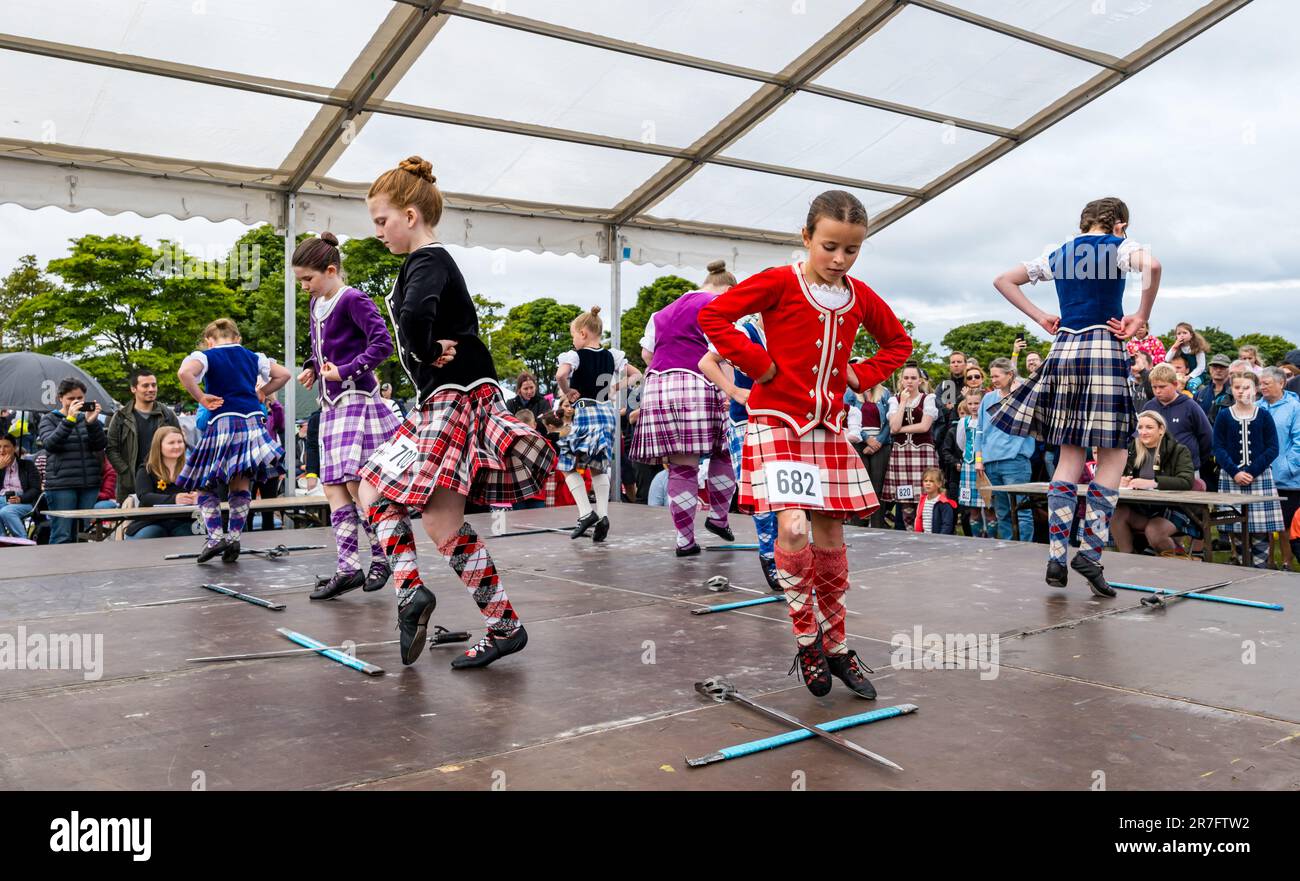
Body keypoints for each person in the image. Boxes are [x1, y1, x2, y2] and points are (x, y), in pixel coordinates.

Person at [699, 189, 912, 701]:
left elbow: (898, 344)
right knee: (792, 525)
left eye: (852, 250)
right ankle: (806, 638)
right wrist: (759, 364)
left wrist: (859, 376)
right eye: (830, 247)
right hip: (775, 421)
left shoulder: (859, 295)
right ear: (807, 238)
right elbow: (713, 318)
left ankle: (837, 644)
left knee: (832, 539)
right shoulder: (779, 281)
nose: (840, 260)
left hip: (828, 428)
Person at [356, 155, 555, 669]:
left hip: (453, 399)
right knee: (381, 491)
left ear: (410, 214)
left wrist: (423, 350)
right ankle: (417, 595)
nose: (378, 232)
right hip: (441, 402)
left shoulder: (426, 262)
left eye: (382, 221)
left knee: (426, 516)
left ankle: (490, 618)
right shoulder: (425, 263)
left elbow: (419, 314)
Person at [990, 196, 1161, 596]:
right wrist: (1140, 315)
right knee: (1114, 454)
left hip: (1064, 352)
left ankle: (1055, 555)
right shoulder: (1119, 247)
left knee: (1069, 456)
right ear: (1119, 224)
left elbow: (1003, 279)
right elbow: (1152, 265)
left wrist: (1040, 317)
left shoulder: (1059, 253)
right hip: (1103, 348)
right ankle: (1090, 551)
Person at [292, 232, 403, 598]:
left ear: (330, 269)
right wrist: (312, 365)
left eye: (308, 279)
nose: (305, 287)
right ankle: (348, 567)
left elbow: (382, 344)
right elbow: (321, 348)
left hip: (357, 400)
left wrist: (346, 370)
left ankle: (382, 557)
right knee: (333, 487)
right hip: (331, 406)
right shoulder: (316, 305)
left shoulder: (353, 298)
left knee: (358, 486)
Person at [632, 260, 737, 557]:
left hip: (658, 386)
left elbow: (646, 353)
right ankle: (719, 518)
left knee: (682, 466)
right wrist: (730, 390)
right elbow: (724, 353)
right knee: (722, 449)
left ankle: (685, 541)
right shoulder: (717, 304)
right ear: (729, 290)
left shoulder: (661, 312)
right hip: (697, 381)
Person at [176, 318, 291, 564]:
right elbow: (284, 374)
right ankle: (234, 537)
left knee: (206, 483)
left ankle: (216, 536)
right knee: (240, 484)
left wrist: (201, 396)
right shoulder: (253, 356)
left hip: (224, 423)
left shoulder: (206, 356)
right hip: (252, 424)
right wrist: (262, 392)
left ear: (209, 341)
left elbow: (184, 373)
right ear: (237, 338)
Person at [701, 311, 780, 588]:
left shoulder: (790, 330)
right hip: (746, 421)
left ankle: (786, 555)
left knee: (784, 493)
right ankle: (770, 555)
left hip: (782, 420)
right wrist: (733, 391)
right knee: (762, 493)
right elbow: (707, 362)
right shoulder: (745, 331)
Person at [554, 305, 642, 542]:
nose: (573, 340)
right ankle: (602, 516)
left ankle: (585, 513)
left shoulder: (574, 356)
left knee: (567, 464)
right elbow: (637, 375)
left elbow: (560, 375)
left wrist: (568, 391)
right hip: (606, 413)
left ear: (582, 333)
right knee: (598, 466)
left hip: (585, 412)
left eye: (573, 335)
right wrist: (613, 388)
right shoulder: (612, 355)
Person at [1214, 371, 1284, 568]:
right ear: (1232, 390)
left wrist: (1252, 471)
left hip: (1259, 477)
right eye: (1237, 387)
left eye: (1246, 387)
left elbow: (1272, 448)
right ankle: (1243, 566)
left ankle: (1259, 568)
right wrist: (1234, 471)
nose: (1241, 391)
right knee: (1235, 526)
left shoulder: (1263, 415)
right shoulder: (1224, 415)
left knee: (1260, 529)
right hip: (1231, 476)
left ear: (1255, 390)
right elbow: (1218, 448)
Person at [1110, 412, 1196, 555]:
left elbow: (1186, 481)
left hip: (1172, 509)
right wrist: (1122, 480)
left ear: (1161, 429)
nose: (1143, 432)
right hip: (1141, 508)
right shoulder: (1132, 449)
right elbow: (1121, 473)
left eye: (1149, 427)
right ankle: (1128, 558)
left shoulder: (1178, 450)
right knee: (1117, 515)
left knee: (1154, 531)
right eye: (1140, 428)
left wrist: (1153, 483)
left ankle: (1177, 560)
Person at [38, 379, 109, 544]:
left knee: (82, 533)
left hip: (88, 483)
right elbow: (50, 444)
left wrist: (92, 423)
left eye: (80, 398)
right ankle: (58, 569)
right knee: (62, 534)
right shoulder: (49, 419)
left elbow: (100, 445)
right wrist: (69, 420)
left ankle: (80, 569)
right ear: (60, 398)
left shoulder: (88, 418)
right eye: (71, 398)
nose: (76, 402)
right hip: (62, 485)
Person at [975, 358, 1036, 541]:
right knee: (1002, 511)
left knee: (1021, 510)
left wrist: (1018, 384)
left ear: (1010, 374)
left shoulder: (1023, 394)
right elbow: (979, 430)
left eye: (997, 376)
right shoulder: (988, 398)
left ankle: (1025, 547)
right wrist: (979, 459)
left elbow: (1036, 384)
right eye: (991, 376)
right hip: (990, 463)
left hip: (1015, 462)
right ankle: (1008, 546)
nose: (993, 380)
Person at [106, 369, 180, 504]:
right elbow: (111, 449)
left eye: (154, 385)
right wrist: (126, 472)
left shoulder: (167, 414)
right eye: (145, 386)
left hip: (162, 482)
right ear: (133, 389)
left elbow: (180, 444)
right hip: (130, 483)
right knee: (130, 523)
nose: (151, 389)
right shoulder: (121, 417)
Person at [881, 364, 939, 529]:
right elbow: (893, 424)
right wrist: (903, 403)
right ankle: (909, 531)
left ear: (920, 380)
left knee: (926, 494)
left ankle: (927, 530)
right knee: (905, 496)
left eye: (913, 378)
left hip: (922, 452)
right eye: (906, 378)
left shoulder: (928, 398)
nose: (909, 381)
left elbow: (924, 427)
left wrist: (898, 429)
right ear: (901, 380)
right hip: (901, 453)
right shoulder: (895, 399)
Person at [126, 427, 201, 539]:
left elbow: (207, 490)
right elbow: (145, 496)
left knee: (191, 535)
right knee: (150, 534)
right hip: (152, 521)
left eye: (180, 442)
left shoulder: (192, 468)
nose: (177, 446)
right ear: (159, 446)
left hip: (184, 521)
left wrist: (199, 496)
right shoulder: (146, 470)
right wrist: (174, 500)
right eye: (171, 443)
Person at [1259, 366, 1300, 562]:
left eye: (1266, 383)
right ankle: (1266, 563)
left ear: (1281, 383)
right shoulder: (1256, 407)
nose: (1262, 387)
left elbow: (1299, 442)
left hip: (1288, 479)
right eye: (1261, 383)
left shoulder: (1295, 407)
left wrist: (1287, 468)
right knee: (1264, 524)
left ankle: (1287, 564)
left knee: (1285, 525)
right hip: (1261, 476)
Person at [1142, 364, 1213, 473]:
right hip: (1155, 468)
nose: (1157, 391)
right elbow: (1140, 436)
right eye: (1154, 387)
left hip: (1187, 469)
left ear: (1175, 384)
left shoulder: (1190, 406)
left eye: (1162, 387)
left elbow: (1207, 437)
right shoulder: (1149, 407)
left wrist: (1195, 461)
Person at [845, 382, 893, 529]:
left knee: (877, 486)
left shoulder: (884, 393)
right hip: (859, 442)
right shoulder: (850, 393)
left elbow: (890, 419)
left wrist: (878, 441)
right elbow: (847, 417)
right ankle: (858, 524)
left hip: (882, 444)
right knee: (860, 485)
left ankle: (877, 525)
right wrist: (867, 439)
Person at [946, 388, 991, 537]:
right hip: (969, 464)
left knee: (990, 506)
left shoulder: (989, 419)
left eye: (977, 403)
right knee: (973, 508)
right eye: (970, 403)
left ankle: (990, 538)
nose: (973, 406)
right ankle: (977, 538)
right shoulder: (963, 422)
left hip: (986, 465)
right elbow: (961, 442)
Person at [0, 434, 40, 537]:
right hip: (2, 500)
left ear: (14, 448)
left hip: (23, 502)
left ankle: (23, 541)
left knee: (6, 512)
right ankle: (3, 540)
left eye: (6, 446)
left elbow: (35, 489)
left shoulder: (27, 465)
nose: (2, 450)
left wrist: (20, 498)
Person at [1164, 322, 1209, 392]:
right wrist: (1174, 347)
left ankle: (1195, 400)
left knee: (1191, 385)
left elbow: (1201, 367)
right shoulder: (1177, 348)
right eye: (1179, 334)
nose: (1181, 335)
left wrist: (1189, 376)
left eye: (1184, 333)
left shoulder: (1198, 348)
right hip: (1182, 375)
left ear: (1191, 335)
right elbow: (1167, 359)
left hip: (1197, 375)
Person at [913, 467, 956, 534]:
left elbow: (947, 525)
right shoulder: (922, 500)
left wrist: (939, 538)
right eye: (925, 481)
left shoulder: (943, 503)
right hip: (923, 538)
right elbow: (919, 519)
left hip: (937, 540)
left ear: (939, 484)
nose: (928, 483)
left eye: (931, 481)